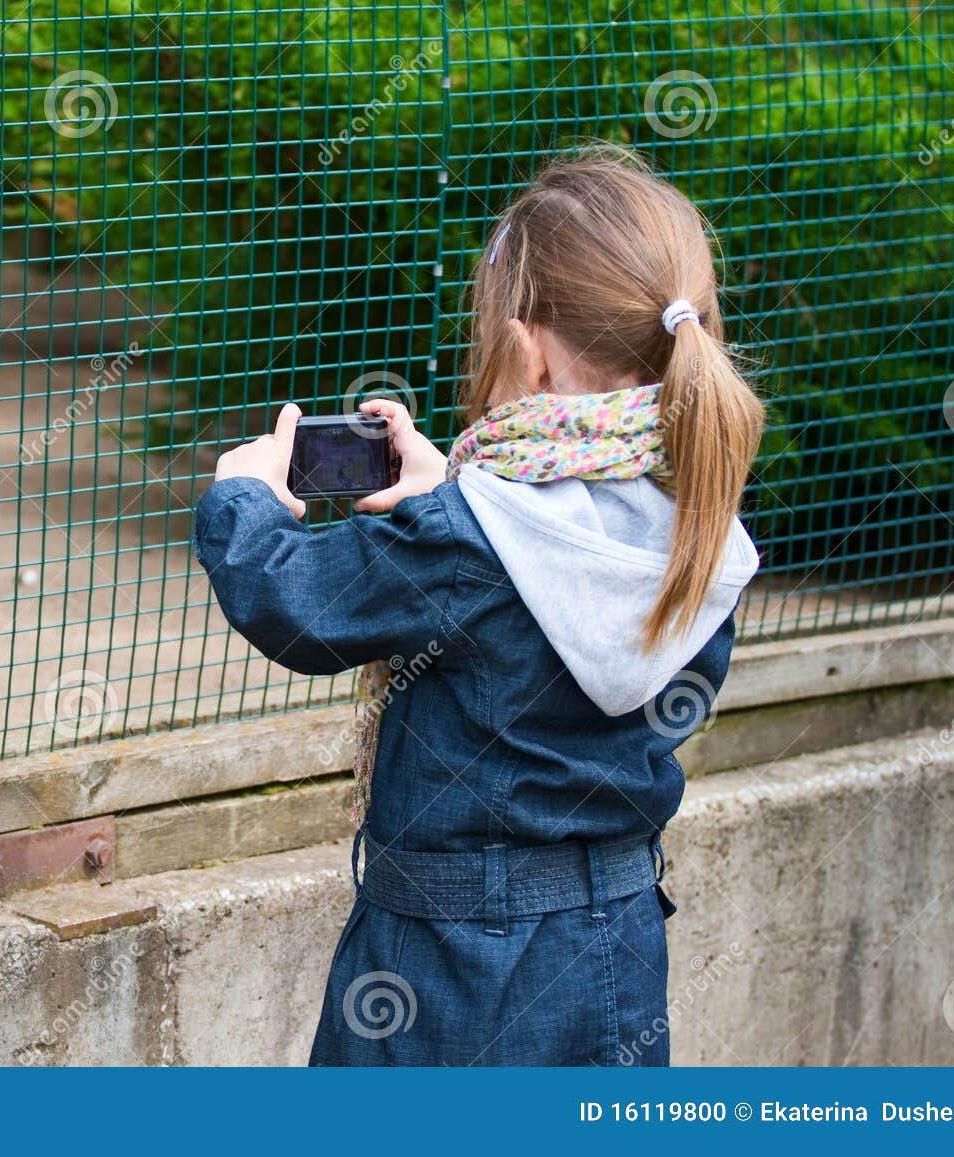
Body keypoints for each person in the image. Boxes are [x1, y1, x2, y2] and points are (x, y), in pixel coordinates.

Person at [193, 146, 766, 1066]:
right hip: (613, 945)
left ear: (529, 350)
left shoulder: (468, 544)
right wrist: (452, 487)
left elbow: (293, 601)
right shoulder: (695, 529)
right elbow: (543, 575)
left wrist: (245, 498)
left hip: (450, 967)